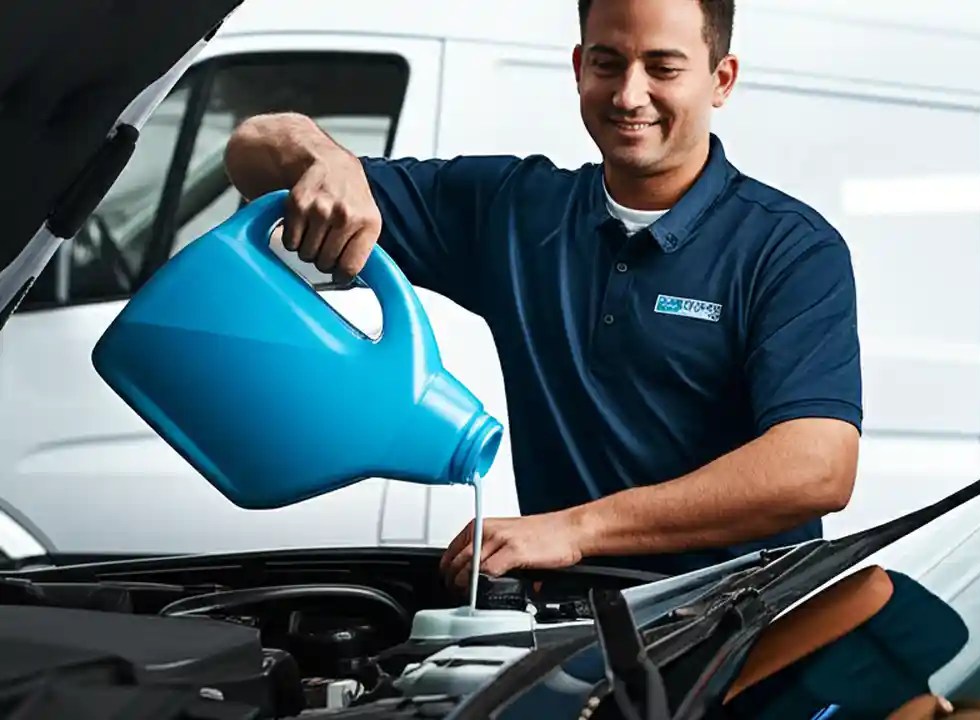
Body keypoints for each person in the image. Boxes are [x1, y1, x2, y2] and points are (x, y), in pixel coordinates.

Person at [222, 0, 863, 588]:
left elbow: (816, 468)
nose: (629, 94)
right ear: (580, 67)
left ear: (721, 79)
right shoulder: (515, 212)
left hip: (737, 634)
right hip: (569, 632)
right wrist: (326, 160)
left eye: (663, 68)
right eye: (608, 63)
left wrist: (576, 529)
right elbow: (252, 151)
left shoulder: (790, 250)